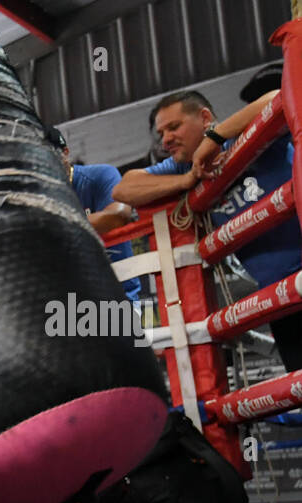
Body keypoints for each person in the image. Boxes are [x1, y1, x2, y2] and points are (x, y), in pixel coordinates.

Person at [113, 89, 302, 370]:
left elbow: (281, 94)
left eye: (174, 127)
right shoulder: (185, 168)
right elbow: (124, 188)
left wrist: (216, 137)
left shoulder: (246, 137)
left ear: (204, 118)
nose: (165, 139)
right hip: (282, 299)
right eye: (161, 132)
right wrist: (186, 181)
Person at [44, 127, 141, 305]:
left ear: (65, 153)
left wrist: (54, 224)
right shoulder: (38, 195)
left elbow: (118, 215)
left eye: (48, 158)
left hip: (122, 298)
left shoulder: (100, 176)